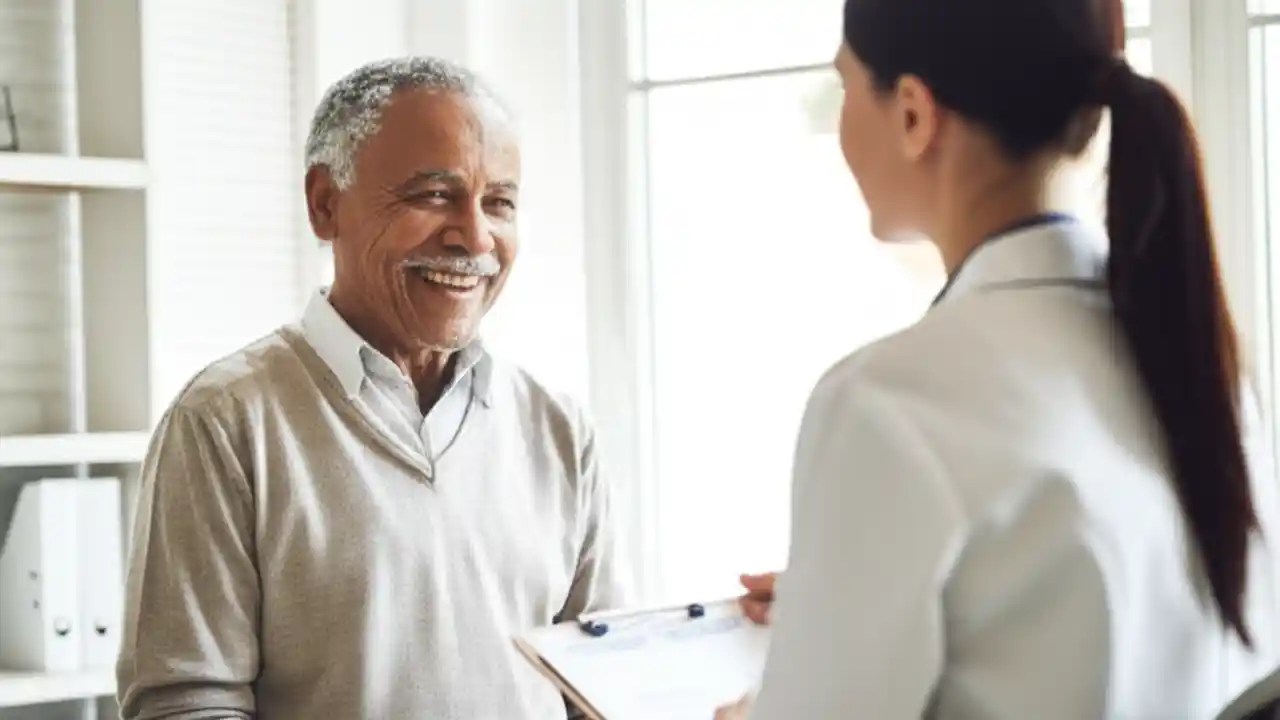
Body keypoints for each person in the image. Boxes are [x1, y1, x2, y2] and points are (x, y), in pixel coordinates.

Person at [721, 0, 1280, 717]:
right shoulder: (1208, 372)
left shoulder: (887, 404)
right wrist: (839, 591)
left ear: (914, 114)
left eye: (847, 85)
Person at [117, 57, 627, 719]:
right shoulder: (224, 423)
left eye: (498, 202)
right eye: (434, 195)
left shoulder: (560, 431)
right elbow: (183, 704)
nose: (474, 236)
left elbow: (606, 688)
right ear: (325, 204)